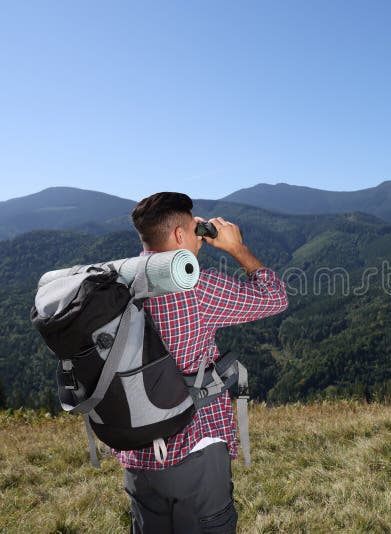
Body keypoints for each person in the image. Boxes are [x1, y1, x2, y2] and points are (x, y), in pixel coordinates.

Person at [118, 192, 289, 533]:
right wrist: (236, 248)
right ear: (179, 236)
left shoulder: (119, 283)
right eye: (194, 228)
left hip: (137, 454)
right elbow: (276, 297)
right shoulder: (196, 289)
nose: (199, 236)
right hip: (195, 450)